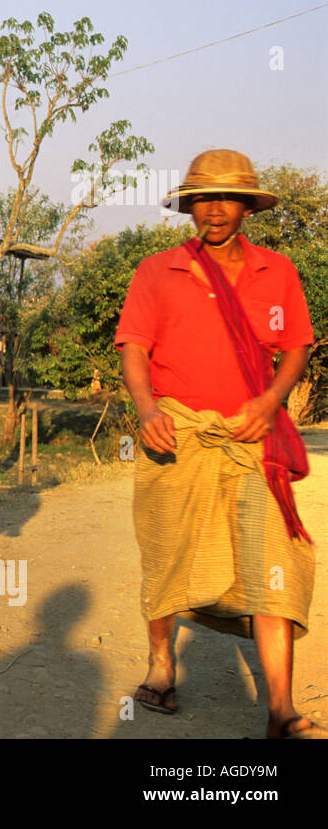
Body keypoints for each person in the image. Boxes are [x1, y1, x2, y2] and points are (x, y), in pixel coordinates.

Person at [115, 149, 320, 738]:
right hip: (175, 432)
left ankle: (280, 708)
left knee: (271, 560)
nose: (216, 210)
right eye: (204, 198)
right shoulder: (157, 271)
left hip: (250, 438)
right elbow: (133, 346)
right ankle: (161, 669)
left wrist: (269, 401)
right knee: (166, 553)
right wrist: (147, 408)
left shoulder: (276, 271)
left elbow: (297, 347)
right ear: (190, 207)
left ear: (249, 207)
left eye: (229, 198)